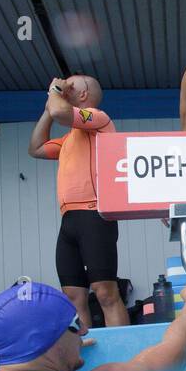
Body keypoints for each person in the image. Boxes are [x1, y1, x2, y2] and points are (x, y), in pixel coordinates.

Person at [0, 271, 186, 371]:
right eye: (75, 325)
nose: (85, 331)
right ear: (44, 343)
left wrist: (66, 346)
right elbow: (180, 350)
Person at [28, 75, 130, 330]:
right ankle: (84, 353)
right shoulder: (68, 139)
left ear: (83, 95)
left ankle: (124, 352)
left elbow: (62, 112)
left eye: (70, 86)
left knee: (105, 292)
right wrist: (48, 108)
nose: (64, 88)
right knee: (73, 296)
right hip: (69, 220)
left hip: (94, 215)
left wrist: (54, 92)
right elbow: (36, 148)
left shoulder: (98, 119)